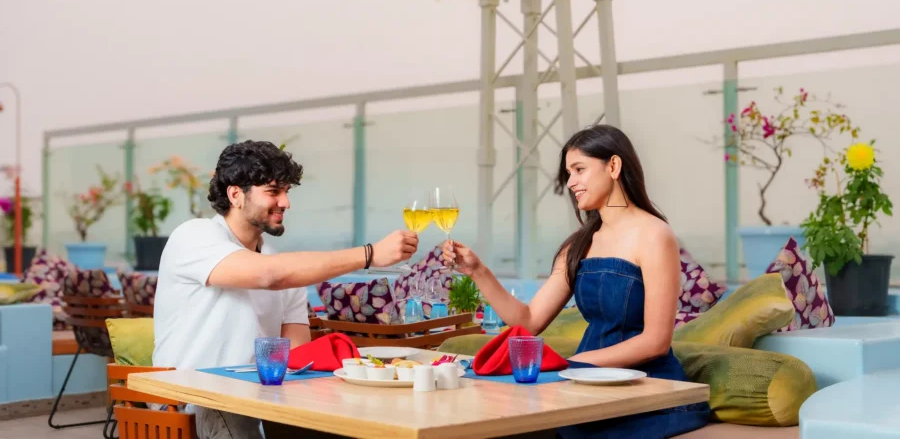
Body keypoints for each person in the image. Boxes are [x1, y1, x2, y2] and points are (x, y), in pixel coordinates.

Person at [443, 125, 710, 438]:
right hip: (581, 383)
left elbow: (655, 342)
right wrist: (479, 272)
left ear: (613, 166)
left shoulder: (654, 235)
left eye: (579, 170)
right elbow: (527, 322)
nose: (571, 183)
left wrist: (571, 363)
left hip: (644, 386)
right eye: (569, 173)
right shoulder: (578, 245)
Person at [153, 140, 417, 439]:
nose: (285, 202)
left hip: (256, 401)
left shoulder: (279, 264)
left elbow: (297, 357)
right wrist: (369, 255)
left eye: (286, 192)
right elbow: (268, 276)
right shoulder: (195, 236)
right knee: (228, 406)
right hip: (189, 401)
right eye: (273, 191)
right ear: (236, 194)